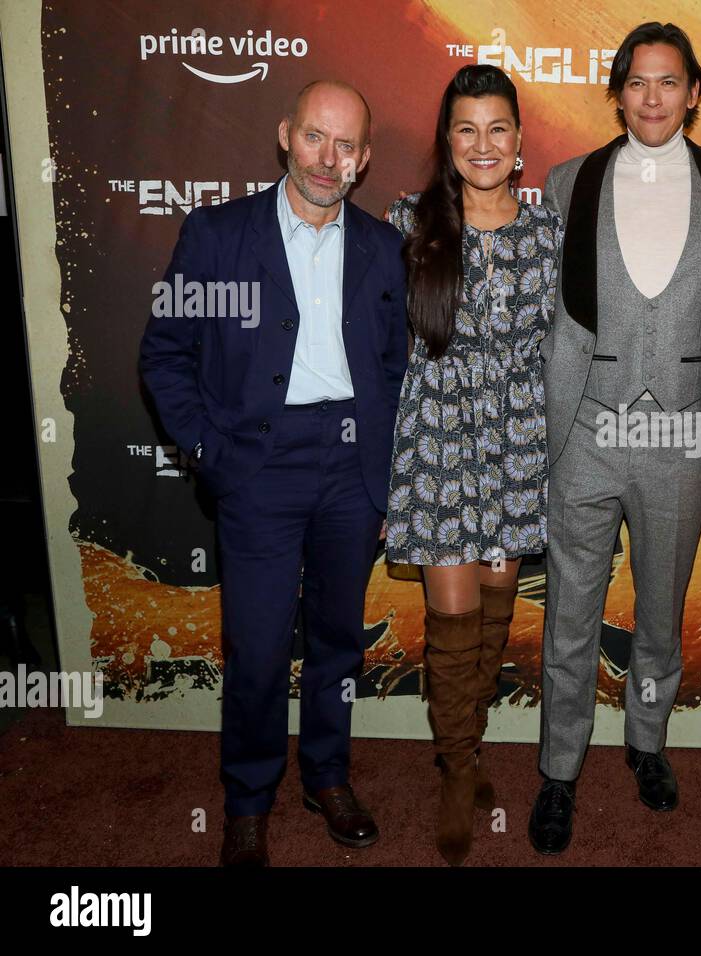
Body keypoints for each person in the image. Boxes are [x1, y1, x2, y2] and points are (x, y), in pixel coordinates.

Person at [139, 81, 408, 866]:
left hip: (351, 466)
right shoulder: (218, 236)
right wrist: (211, 452)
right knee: (256, 650)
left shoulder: (382, 246)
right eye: (316, 138)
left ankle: (327, 775)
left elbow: (393, 370)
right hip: (257, 466)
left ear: (364, 159)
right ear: (286, 135)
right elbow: (164, 353)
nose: (330, 159)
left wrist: (384, 476)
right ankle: (248, 798)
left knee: (336, 643)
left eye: (347, 145)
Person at [525, 21, 701, 855]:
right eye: (638, 81)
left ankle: (648, 744)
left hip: (680, 438)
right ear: (618, 92)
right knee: (569, 616)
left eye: (670, 81)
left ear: (695, 92)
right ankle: (559, 768)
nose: (653, 97)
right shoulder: (565, 182)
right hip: (585, 432)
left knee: (661, 614)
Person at [385, 65, 561, 867]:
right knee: (452, 622)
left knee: (495, 618)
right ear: (446, 142)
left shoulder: (548, 233)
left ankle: (471, 745)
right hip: (440, 449)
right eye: (466, 129)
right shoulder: (405, 227)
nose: (482, 145)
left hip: (518, 447)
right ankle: (457, 774)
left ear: (520, 143)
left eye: (498, 130)